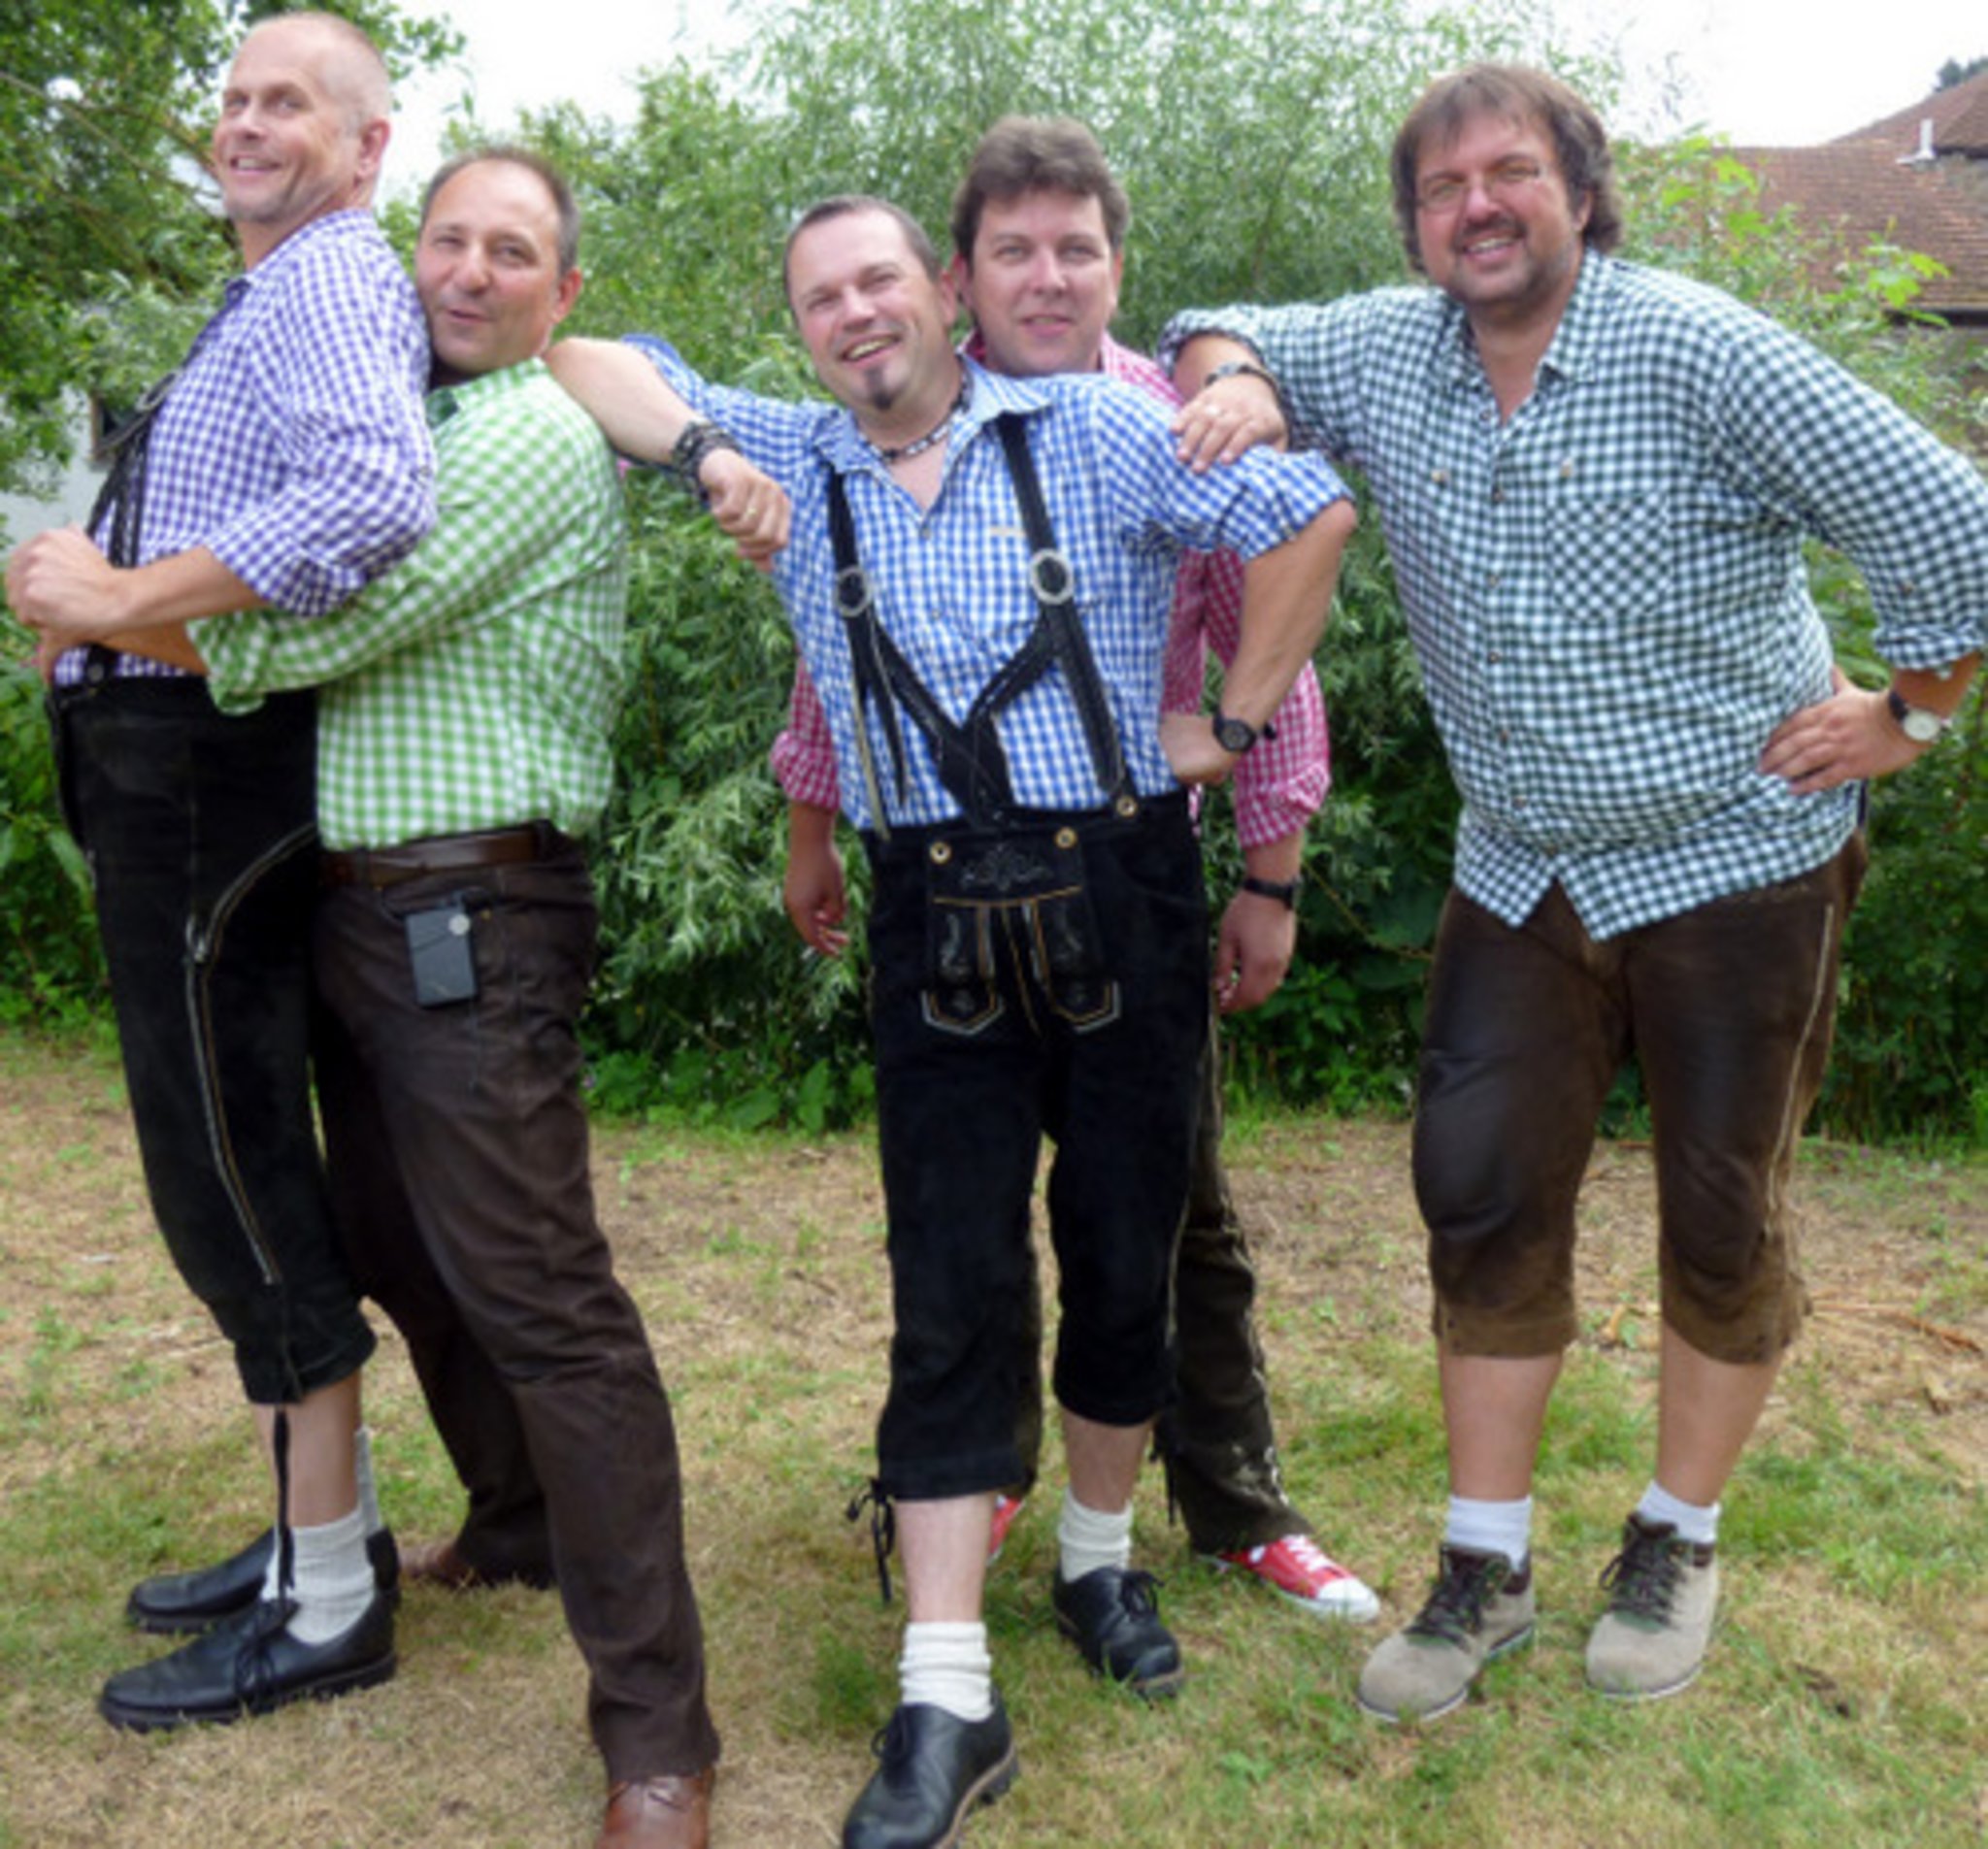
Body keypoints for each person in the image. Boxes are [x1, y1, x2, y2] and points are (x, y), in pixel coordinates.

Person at [1161, 62, 1987, 1723]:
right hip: (1522, 869)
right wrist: (1239, 373)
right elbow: (1213, 315)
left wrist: (1910, 717)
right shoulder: (1392, 355)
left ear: (1579, 194)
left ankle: (1676, 1539)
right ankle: (1484, 1569)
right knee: (1477, 1188)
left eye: (1513, 172)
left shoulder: (1697, 346)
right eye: (1445, 185)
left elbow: (1947, 510)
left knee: (1721, 1205)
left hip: (1738, 858)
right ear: (1415, 226)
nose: (1479, 204)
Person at [547, 194, 1355, 1849]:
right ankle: (944, 1685)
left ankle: (1097, 1568)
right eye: (820, 297)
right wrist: (707, 453)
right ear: (806, 331)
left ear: (939, 293)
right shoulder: (796, 453)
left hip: (1122, 889)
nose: (855, 314)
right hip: (928, 914)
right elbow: (581, 356)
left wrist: (1239, 717)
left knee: (1127, 1252)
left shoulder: (1099, 429)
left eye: (878, 281)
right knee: (950, 1280)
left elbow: (1314, 510)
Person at [38, 148, 791, 1849]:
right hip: (368, 910)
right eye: (446, 240)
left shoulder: (522, 438)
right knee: (391, 1235)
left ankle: (659, 1735)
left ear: (560, 293)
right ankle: (514, 1518)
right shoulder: (428, 422)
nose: (465, 270)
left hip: (480, 914)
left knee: (549, 1301)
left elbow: (323, 628)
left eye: (510, 251)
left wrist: (105, 608)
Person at [772, 116, 1376, 1624]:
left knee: (1169, 1217)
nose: (1049, 281)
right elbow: (833, 655)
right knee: (962, 1213)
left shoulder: (1159, 419)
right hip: (945, 880)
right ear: (957, 276)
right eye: (1015, 253)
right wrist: (812, 819)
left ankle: (1230, 1499)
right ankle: (980, 1484)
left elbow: (1275, 644)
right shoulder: (882, 424)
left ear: (1119, 269)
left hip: (1142, 871)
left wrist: (1267, 866)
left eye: (1079, 251)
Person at [7, 11, 434, 1727]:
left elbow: (370, 493)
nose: (246, 124)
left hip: (198, 777)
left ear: (364, 144)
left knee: (234, 1168)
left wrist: (117, 602)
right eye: (236, 98)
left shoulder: (329, 275)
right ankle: (309, 1537)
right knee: (226, 1154)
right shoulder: (277, 286)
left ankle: (330, 1601)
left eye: (290, 103)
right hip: (165, 767)